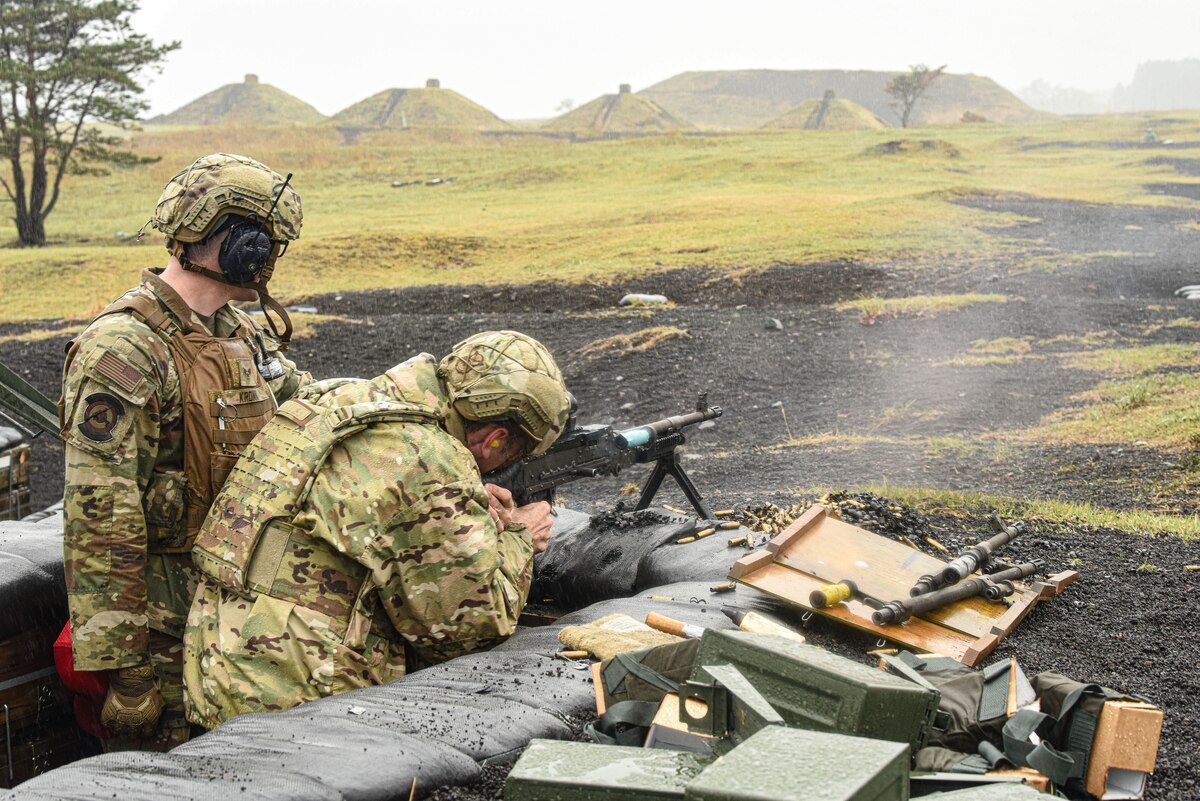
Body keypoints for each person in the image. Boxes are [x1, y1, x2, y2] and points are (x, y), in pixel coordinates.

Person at [182, 331, 570, 729]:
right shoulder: (430, 459)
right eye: (517, 453)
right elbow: (468, 631)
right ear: (496, 438)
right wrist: (519, 538)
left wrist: (461, 513)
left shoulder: (337, 398)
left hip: (218, 665)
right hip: (301, 701)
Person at [60, 153, 310, 750]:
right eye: (265, 241)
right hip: (165, 641)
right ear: (237, 242)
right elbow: (101, 521)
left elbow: (307, 413)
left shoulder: (236, 333)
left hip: (239, 624)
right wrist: (128, 673)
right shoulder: (124, 351)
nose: (270, 257)